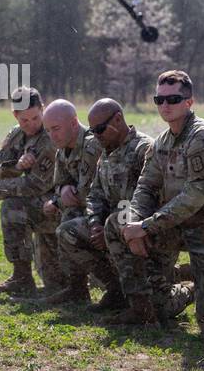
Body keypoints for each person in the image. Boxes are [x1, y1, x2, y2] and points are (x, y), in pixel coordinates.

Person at [111, 70, 204, 329]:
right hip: (176, 227)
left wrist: (145, 227)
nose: (165, 105)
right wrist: (133, 223)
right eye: (159, 100)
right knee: (156, 309)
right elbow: (145, 187)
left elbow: (193, 197)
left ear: (189, 102)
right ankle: (175, 291)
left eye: (173, 99)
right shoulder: (161, 142)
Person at [54, 98, 151, 310]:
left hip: (136, 227)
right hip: (110, 224)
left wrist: (108, 227)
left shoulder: (143, 150)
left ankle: (173, 286)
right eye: (92, 130)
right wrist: (95, 222)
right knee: (67, 232)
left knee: (160, 303)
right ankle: (115, 288)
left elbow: (144, 199)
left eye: (99, 129)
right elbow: (94, 195)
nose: (96, 136)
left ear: (118, 120)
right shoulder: (106, 151)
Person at [0, 87, 61, 296]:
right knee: (53, 281)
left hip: (60, 205)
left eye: (35, 118)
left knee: (13, 207)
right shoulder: (15, 134)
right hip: (42, 203)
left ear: (43, 109)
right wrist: (18, 167)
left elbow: (35, 185)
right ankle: (22, 278)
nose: (31, 124)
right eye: (25, 120)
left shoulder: (50, 136)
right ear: (15, 115)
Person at [39, 100, 104, 305]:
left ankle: (109, 283)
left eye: (56, 129)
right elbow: (59, 185)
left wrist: (62, 197)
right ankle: (76, 287)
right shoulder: (62, 150)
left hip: (105, 210)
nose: (52, 135)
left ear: (74, 123)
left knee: (68, 221)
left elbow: (85, 192)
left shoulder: (92, 145)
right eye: (48, 130)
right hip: (85, 209)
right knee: (63, 215)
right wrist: (63, 192)